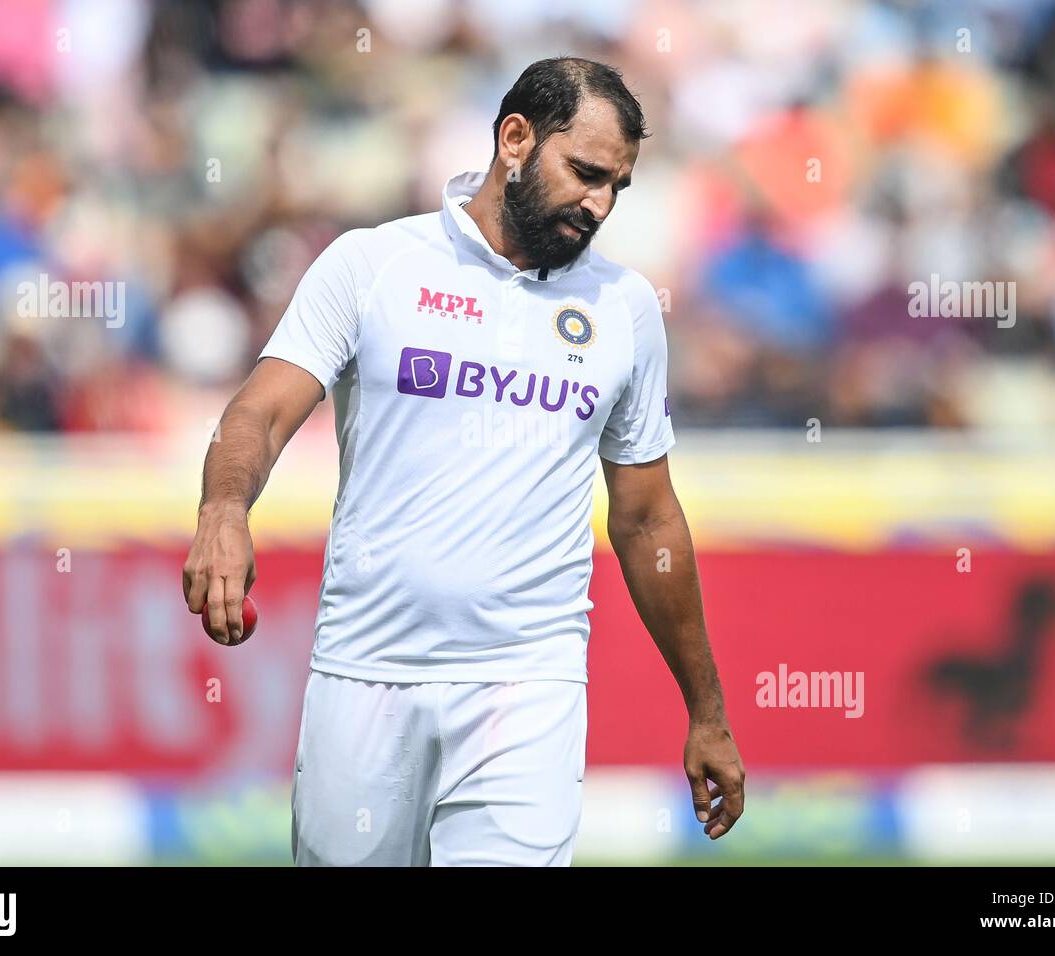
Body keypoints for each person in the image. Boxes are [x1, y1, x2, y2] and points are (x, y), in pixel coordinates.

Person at [182, 56, 745, 866]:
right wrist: (224, 510)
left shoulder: (625, 311)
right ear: (515, 138)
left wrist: (707, 711)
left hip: (528, 684)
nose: (600, 204)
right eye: (585, 173)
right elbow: (259, 414)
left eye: (617, 185)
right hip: (365, 673)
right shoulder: (373, 265)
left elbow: (648, 517)